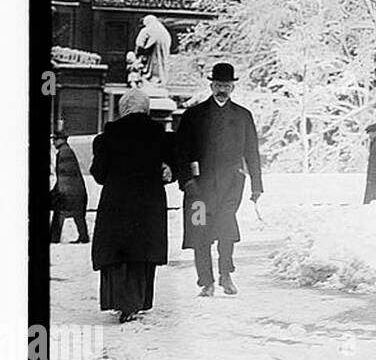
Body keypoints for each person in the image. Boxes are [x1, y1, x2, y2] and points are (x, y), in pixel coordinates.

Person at [173, 63, 263, 297]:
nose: (222, 89)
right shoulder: (194, 115)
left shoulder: (243, 116)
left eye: (227, 85)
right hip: (198, 189)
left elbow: (252, 151)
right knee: (199, 230)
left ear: (232, 87)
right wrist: (186, 182)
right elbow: (180, 151)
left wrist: (256, 185)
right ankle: (206, 281)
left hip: (231, 186)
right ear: (211, 85)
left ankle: (225, 274)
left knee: (226, 228)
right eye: (218, 85)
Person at [89, 89, 170, 323]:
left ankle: (118, 302)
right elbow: (170, 168)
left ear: (122, 110)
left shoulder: (105, 139)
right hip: (148, 203)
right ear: (146, 110)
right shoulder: (160, 136)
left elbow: (99, 174)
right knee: (142, 253)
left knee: (117, 253)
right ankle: (137, 302)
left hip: (117, 203)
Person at [49, 130, 90, 243]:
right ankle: (83, 237)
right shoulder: (67, 151)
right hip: (78, 192)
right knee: (78, 216)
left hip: (69, 194)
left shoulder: (64, 153)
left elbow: (66, 177)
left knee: (59, 212)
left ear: (61, 139)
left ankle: (54, 238)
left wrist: (57, 191)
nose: (53, 143)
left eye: (55, 140)